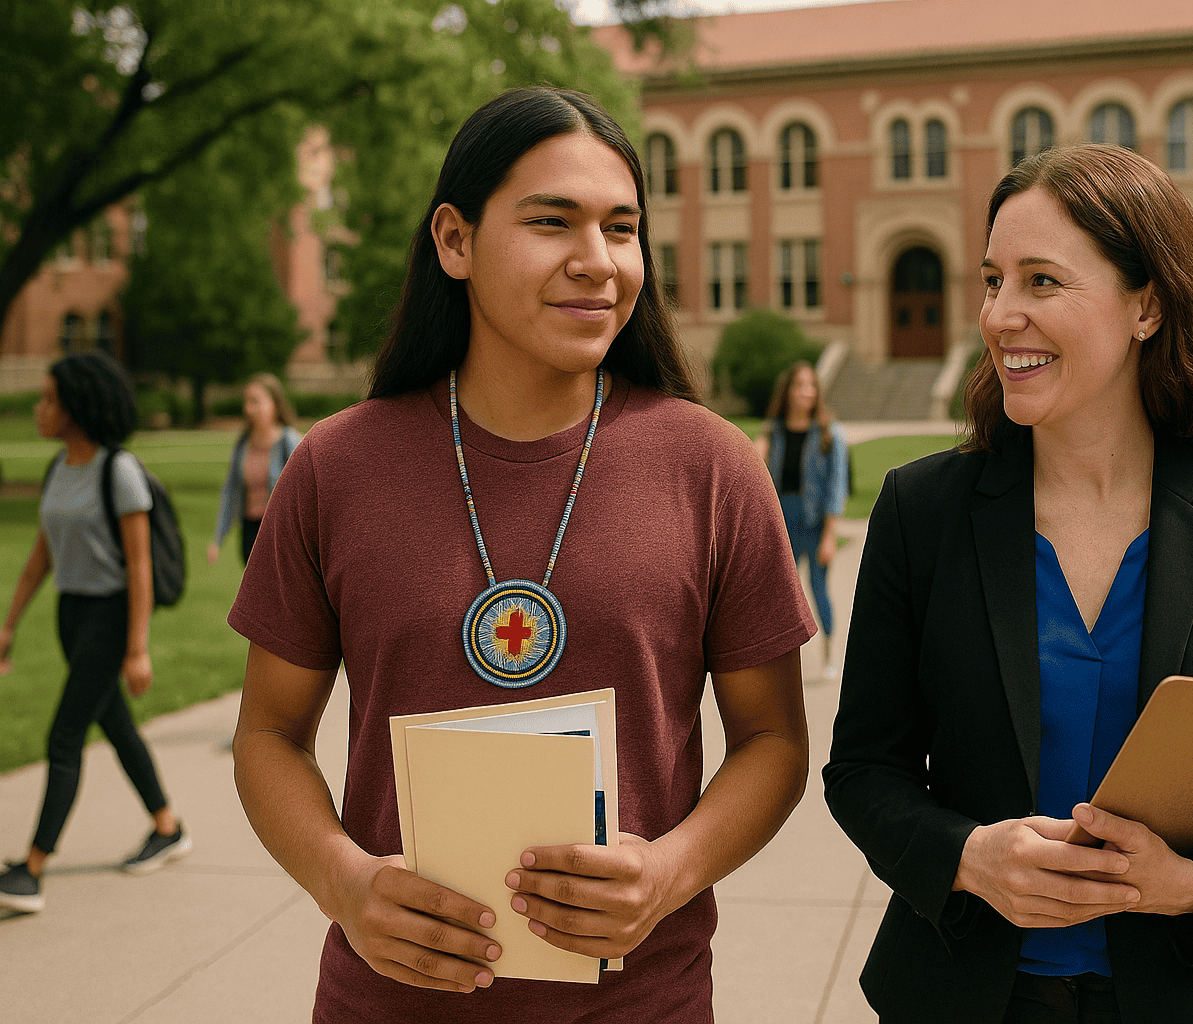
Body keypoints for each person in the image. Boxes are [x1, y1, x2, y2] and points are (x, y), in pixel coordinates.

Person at [227, 87, 815, 1024]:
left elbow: (776, 742)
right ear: (453, 241)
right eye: (552, 222)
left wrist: (667, 871)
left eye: (622, 229)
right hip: (388, 1004)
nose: (597, 263)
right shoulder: (336, 466)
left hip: (643, 1004)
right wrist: (344, 883)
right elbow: (266, 736)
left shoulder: (711, 465)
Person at [823, 144, 1193, 1024]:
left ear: (1146, 303)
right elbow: (863, 771)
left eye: (1042, 281)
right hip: (968, 995)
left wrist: (1191, 886)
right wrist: (968, 857)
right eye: (994, 280)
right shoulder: (922, 510)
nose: (1001, 316)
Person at [0, 352, 191, 916]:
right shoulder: (59, 467)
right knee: (115, 725)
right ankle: (168, 825)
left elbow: (139, 568)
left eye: (49, 398)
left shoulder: (120, 471)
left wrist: (136, 648)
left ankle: (32, 867)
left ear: (77, 407)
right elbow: (41, 556)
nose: (39, 408)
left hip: (109, 619)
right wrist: (9, 624)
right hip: (71, 616)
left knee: (64, 737)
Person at [756, 360, 850, 682]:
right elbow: (759, 474)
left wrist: (829, 535)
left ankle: (828, 655)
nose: (806, 391)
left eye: (811, 385)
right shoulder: (774, 430)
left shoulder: (829, 433)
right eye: (799, 385)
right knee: (779, 593)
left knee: (819, 587)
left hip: (814, 521)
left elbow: (837, 487)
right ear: (788, 391)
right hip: (782, 521)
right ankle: (780, 659)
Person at [208, 372, 302, 566]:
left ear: (274, 404)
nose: (249, 409)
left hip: (278, 533)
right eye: (247, 402)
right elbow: (231, 491)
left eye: (255, 401)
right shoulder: (243, 443)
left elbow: (303, 491)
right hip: (250, 531)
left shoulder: (289, 442)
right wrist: (218, 539)